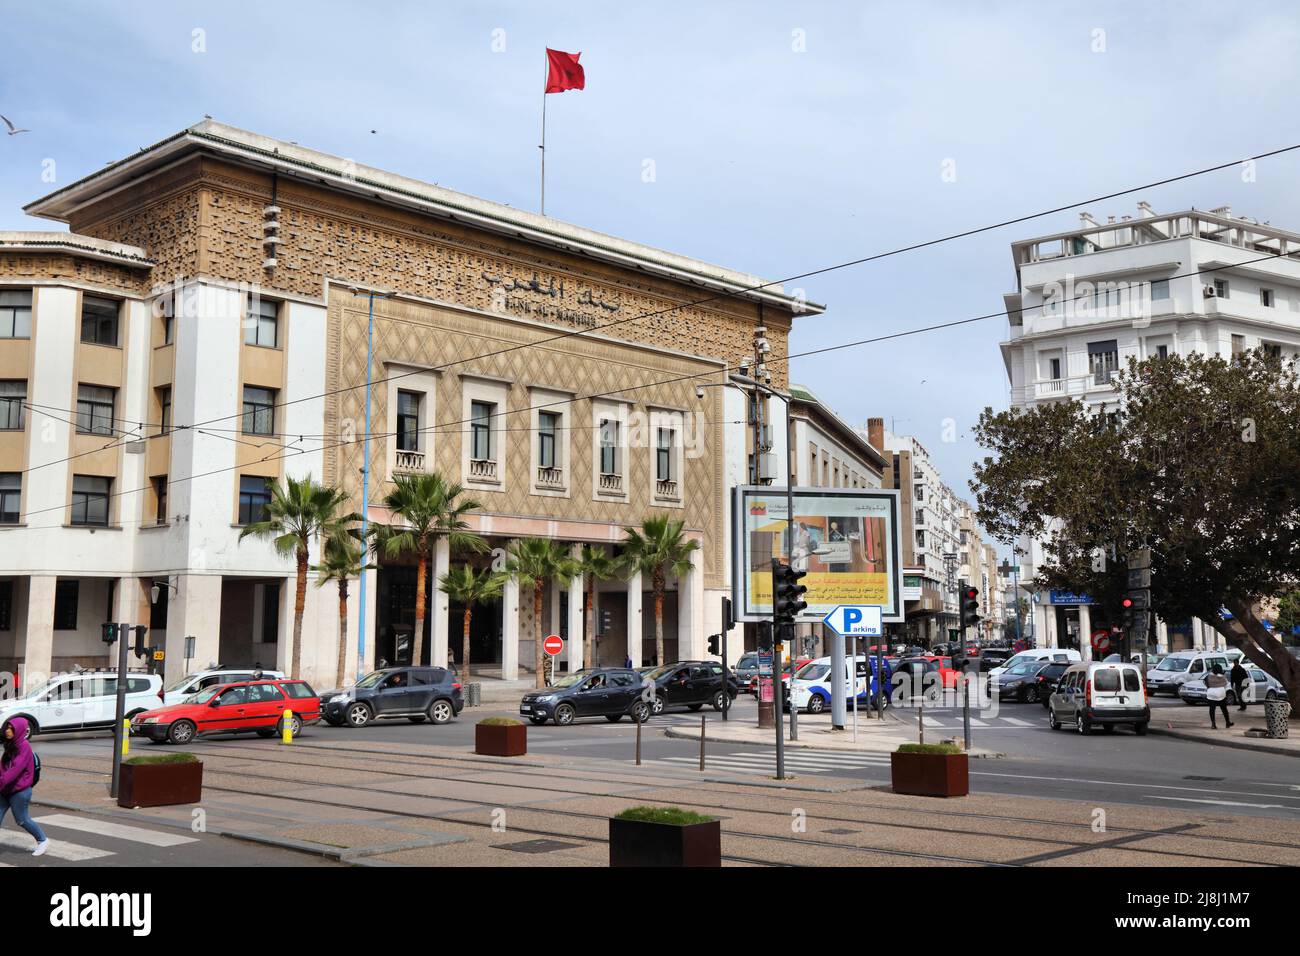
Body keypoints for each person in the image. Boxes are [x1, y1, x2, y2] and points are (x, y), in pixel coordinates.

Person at [0, 717, 48, 856]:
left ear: (19, 730)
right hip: (5, 790)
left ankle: (43, 840)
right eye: (7, 728)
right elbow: (4, 767)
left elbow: (14, 771)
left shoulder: (24, 746)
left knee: (22, 820)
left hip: (19, 792)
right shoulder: (11, 745)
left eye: (11, 729)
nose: (7, 731)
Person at [1205, 665, 1233, 729]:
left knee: (1212, 709)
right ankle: (1227, 722)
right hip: (1220, 694)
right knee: (1224, 709)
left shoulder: (1209, 676)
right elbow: (1226, 685)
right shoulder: (1222, 677)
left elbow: (1207, 684)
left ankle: (1213, 724)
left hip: (1211, 695)